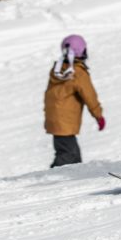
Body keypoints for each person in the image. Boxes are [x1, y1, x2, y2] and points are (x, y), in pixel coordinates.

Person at [44, 34, 105, 167]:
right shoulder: (78, 72)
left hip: (55, 118)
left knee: (74, 155)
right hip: (65, 121)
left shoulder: (58, 69)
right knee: (68, 154)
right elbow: (89, 96)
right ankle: (52, 177)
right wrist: (98, 116)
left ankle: (75, 174)